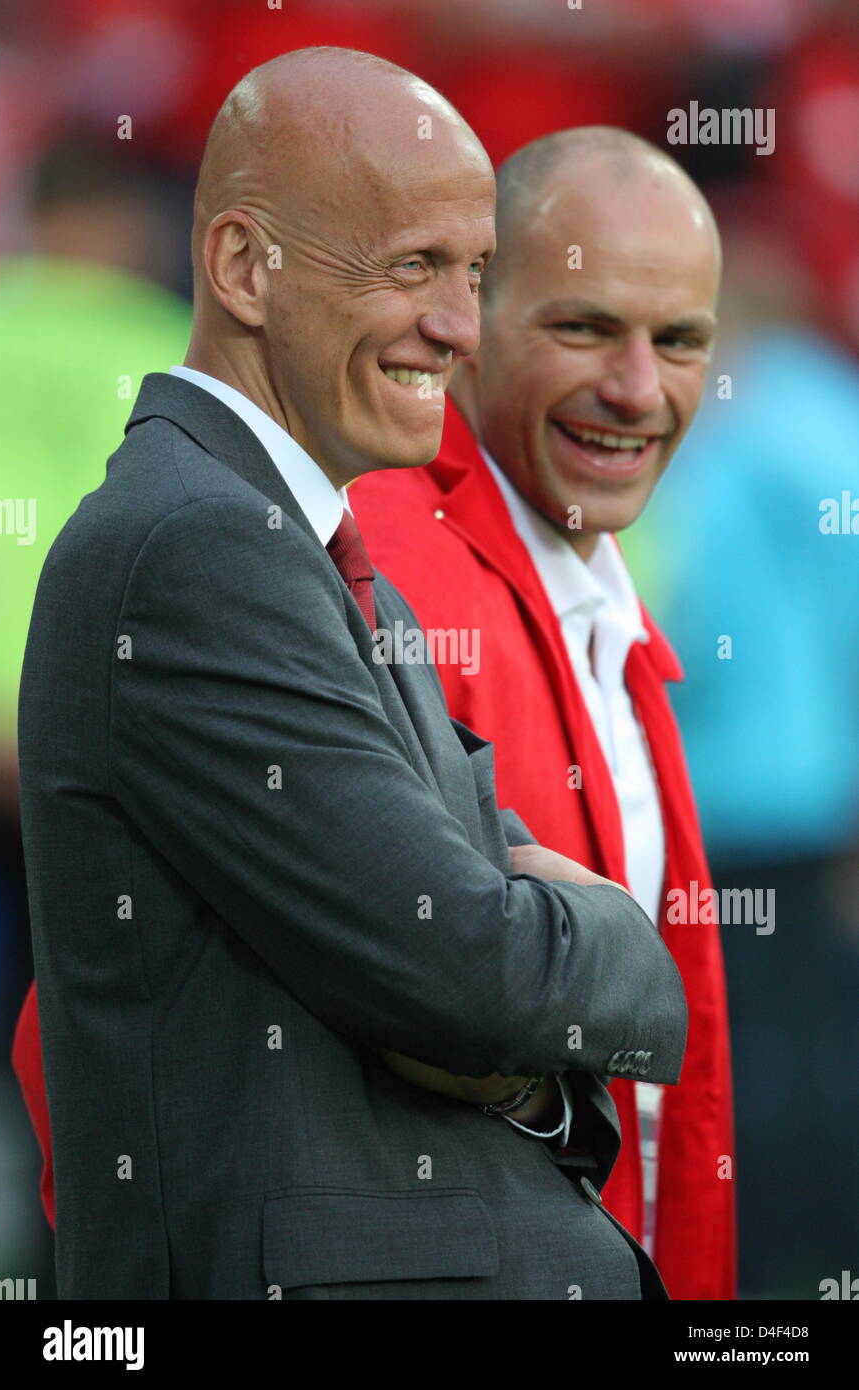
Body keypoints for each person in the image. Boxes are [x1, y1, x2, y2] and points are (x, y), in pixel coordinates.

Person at [13, 50, 686, 1299]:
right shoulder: (198, 546)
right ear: (238, 265)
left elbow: (452, 948)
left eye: (474, 273)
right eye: (410, 266)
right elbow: (469, 967)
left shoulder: (284, 531)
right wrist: (623, 934)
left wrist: (500, 996)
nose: (455, 324)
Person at [352, 127, 735, 1300]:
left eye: (677, 342)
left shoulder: (595, 591)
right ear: (468, 319)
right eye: (581, 327)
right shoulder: (372, 559)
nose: (636, 388)